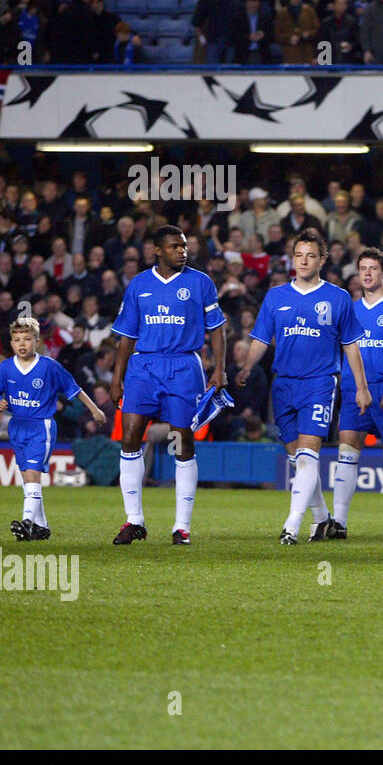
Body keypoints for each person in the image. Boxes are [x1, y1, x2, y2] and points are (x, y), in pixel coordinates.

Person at [237, 228, 372, 544]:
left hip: (320, 383)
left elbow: (352, 346)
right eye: (299, 255)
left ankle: (291, 526)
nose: (304, 261)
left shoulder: (338, 298)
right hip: (283, 384)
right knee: (297, 457)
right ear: (292, 258)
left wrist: (362, 388)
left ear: (322, 259)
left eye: (311, 255)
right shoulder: (276, 296)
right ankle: (323, 518)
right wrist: (246, 366)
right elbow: (259, 339)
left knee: (309, 455)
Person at [110, 226, 227, 546]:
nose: (182, 251)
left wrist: (220, 369)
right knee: (130, 436)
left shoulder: (200, 282)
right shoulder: (139, 285)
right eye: (175, 246)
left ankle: (181, 526)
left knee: (182, 441)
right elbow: (126, 336)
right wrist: (116, 378)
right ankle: (134, 520)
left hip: (183, 366)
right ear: (157, 251)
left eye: (184, 246)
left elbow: (217, 329)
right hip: (143, 366)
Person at [0, 317, 107, 541]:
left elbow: (75, 390)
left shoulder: (49, 367)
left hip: (41, 426)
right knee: (27, 478)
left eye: (27, 339)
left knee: (32, 475)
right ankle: (41, 526)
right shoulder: (5, 368)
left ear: (36, 341)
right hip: (17, 427)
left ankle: (27, 523)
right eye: (17, 339)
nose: (22, 344)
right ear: (11, 343)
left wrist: (95, 410)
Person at [328, 248, 383, 540]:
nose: (366, 273)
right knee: (346, 452)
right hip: (355, 391)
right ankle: (338, 521)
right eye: (362, 268)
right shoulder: (349, 308)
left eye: (373, 268)